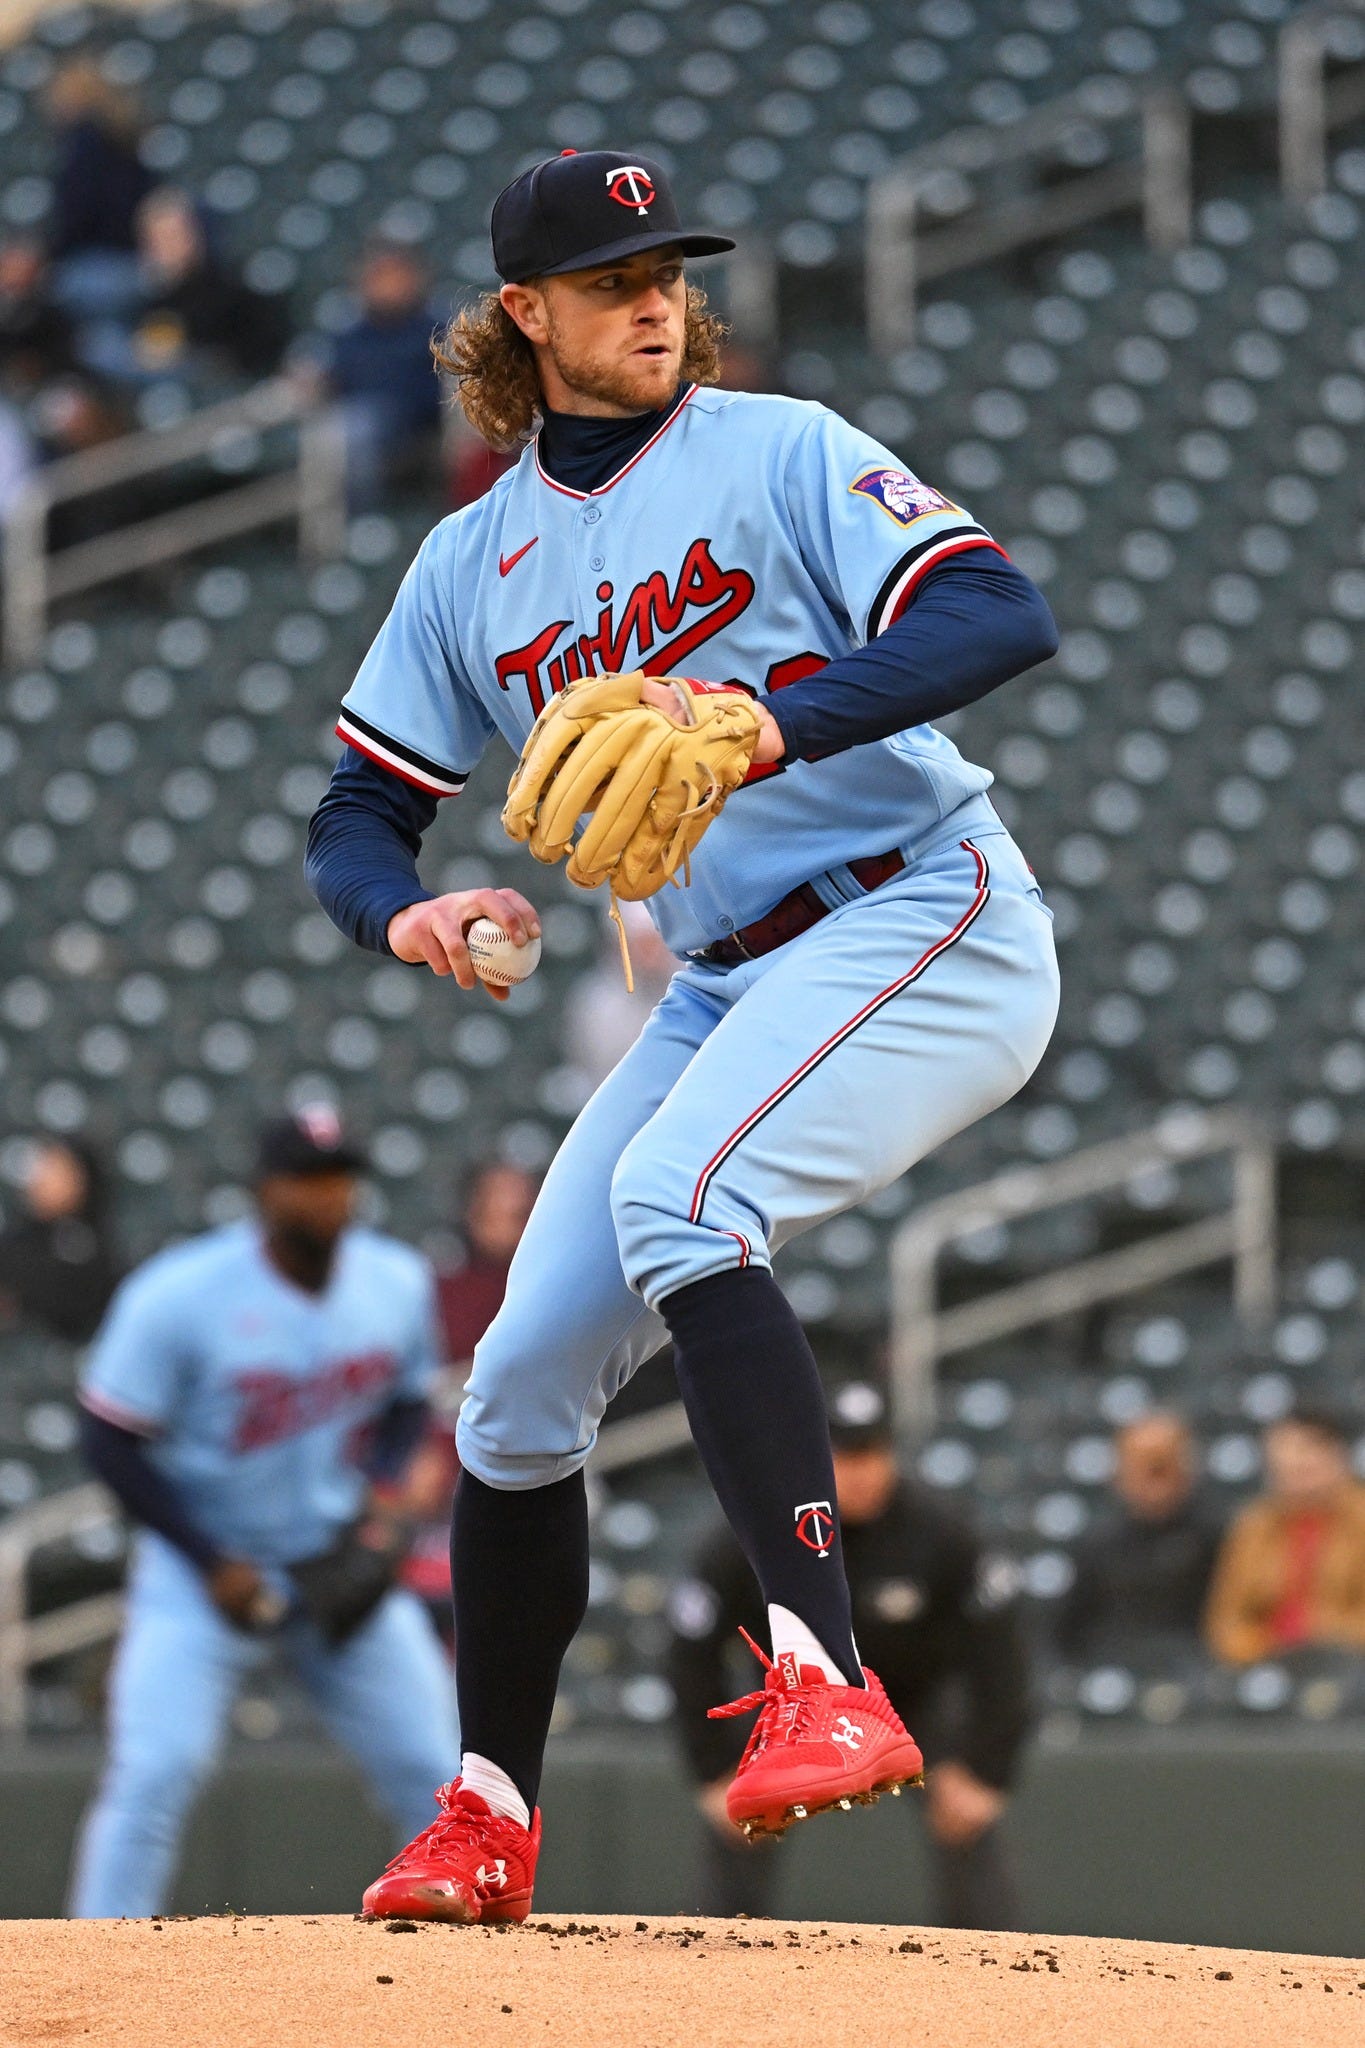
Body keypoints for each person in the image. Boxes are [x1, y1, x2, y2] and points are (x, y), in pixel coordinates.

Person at [304, 146, 1061, 1924]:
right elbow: (359, 806)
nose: (655, 295)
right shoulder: (470, 564)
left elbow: (994, 611)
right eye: (614, 274)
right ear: (525, 314)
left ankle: (825, 1671)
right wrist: (404, 908)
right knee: (512, 1393)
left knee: (684, 1194)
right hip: (726, 971)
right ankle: (489, 1807)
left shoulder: (778, 446)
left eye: (670, 267)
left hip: (924, 905)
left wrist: (759, 727)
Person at [66, 1107, 459, 1918]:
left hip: (329, 1560)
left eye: (340, 1181)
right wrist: (210, 1562)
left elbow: (404, 1404)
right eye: (308, 1181)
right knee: (153, 1772)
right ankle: (88, 1972)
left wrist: (384, 1482)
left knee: (441, 1777)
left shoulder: (393, 1280)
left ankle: (466, 1978)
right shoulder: (179, 1293)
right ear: (265, 1191)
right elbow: (106, 1439)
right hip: (200, 1569)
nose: (327, 1199)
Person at [670, 1378, 1031, 1929]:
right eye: (843, 1454)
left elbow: (1001, 1656)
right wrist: (712, 1770)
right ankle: (716, 1961)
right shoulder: (756, 1530)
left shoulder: (940, 1530)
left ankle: (998, 1975)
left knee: (969, 1820)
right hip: (797, 1702)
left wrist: (986, 1772)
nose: (860, 1471)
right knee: (740, 1812)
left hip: (912, 1702)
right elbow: (690, 1653)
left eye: (872, 1453)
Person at [395, 1160, 541, 1636]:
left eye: (521, 1210)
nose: (509, 1220)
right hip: (444, 1471)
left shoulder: (564, 1291)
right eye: (496, 1209)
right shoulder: (438, 1291)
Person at [1205, 1409, 1365, 1667]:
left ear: (1338, 1458)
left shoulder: (1359, 1521)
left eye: (1305, 1467)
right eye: (1284, 1469)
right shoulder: (1253, 1527)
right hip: (1267, 1664)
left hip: (1350, 1667)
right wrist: (1260, 1643)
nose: (1294, 1475)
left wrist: (1319, 1629)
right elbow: (1226, 1622)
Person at [1058, 1413, 1222, 1663]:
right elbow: (1068, 1631)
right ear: (1118, 1474)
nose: (1153, 1484)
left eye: (1160, 1468)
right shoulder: (1096, 1545)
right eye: (1140, 1468)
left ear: (1187, 1470)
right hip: (1110, 1670)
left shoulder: (1218, 1538)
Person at [306, 240, 444, 507]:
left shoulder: (435, 327)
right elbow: (330, 376)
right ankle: (332, 526)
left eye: (395, 274)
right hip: (354, 418)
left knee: (353, 430)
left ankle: (362, 516)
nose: (388, 284)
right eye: (380, 275)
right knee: (333, 430)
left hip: (417, 426)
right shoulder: (350, 332)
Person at [45, 60, 153, 323]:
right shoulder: (125, 140)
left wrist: (50, 256)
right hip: (135, 266)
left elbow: (79, 210)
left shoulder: (85, 143)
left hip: (96, 267)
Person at [0, 1137, 119, 1346]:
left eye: (57, 1171)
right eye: (43, 1169)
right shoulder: (14, 1241)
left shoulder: (100, 1248)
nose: (42, 1180)